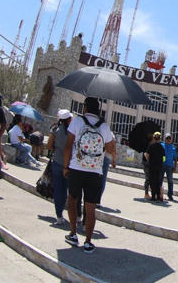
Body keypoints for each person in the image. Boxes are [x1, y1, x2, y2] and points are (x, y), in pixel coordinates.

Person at [63, 97, 117, 253]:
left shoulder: (77, 122)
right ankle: (88, 241)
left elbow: (68, 146)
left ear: (86, 108)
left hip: (76, 168)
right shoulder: (105, 126)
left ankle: (73, 234)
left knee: (72, 200)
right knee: (90, 207)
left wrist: (66, 167)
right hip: (95, 171)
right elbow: (109, 149)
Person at [46, 109, 73, 225]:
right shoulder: (72, 132)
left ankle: (59, 215)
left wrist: (57, 149)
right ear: (67, 119)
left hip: (57, 162)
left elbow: (48, 145)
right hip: (69, 164)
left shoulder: (55, 130)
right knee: (66, 190)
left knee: (58, 189)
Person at [144, 132, 166, 201]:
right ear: (160, 138)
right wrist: (161, 162)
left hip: (152, 166)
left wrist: (149, 161)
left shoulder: (151, 145)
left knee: (152, 181)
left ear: (154, 137)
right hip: (159, 166)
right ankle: (158, 197)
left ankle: (153, 197)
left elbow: (146, 155)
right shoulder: (161, 147)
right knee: (158, 181)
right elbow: (164, 158)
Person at [161, 134, 177, 200]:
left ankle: (170, 195)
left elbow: (175, 158)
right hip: (162, 165)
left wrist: (175, 167)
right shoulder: (161, 145)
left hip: (169, 166)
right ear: (165, 139)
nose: (168, 140)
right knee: (160, 180)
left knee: (170, 181)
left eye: (169, 138)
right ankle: (159, 193)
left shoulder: (173, 147)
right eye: (167, 138)